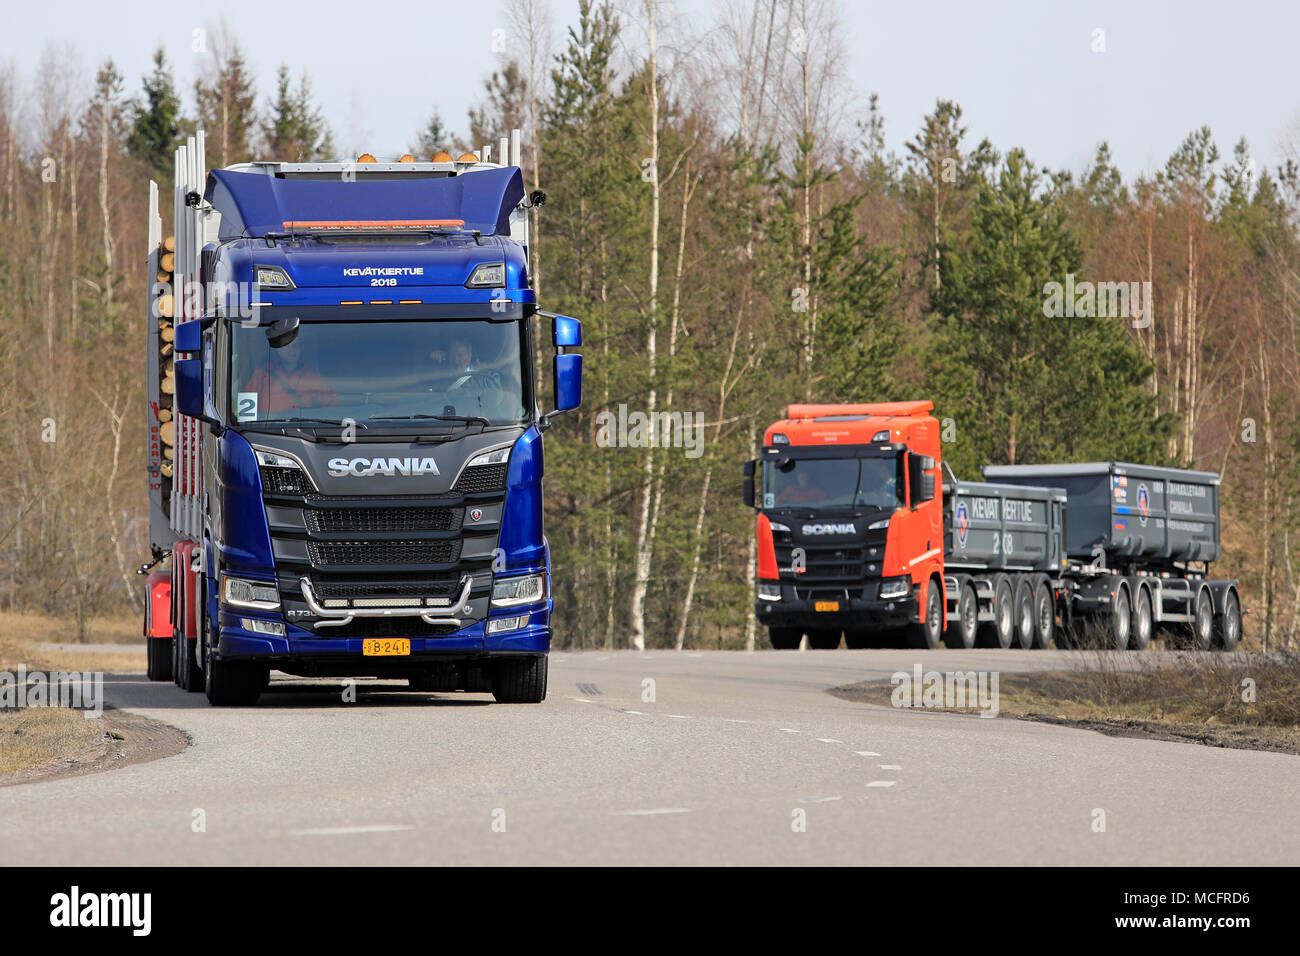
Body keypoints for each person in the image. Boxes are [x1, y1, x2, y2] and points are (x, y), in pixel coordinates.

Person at [243, 337, 336, 415]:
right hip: (265, 431)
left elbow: (333, 404)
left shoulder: (313, 377)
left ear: (300, 350)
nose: (292, 350)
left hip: (302, 430)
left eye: (295, 346)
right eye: (287, 346)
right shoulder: (262, 374)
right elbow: (246, 405)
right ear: (279, 350)